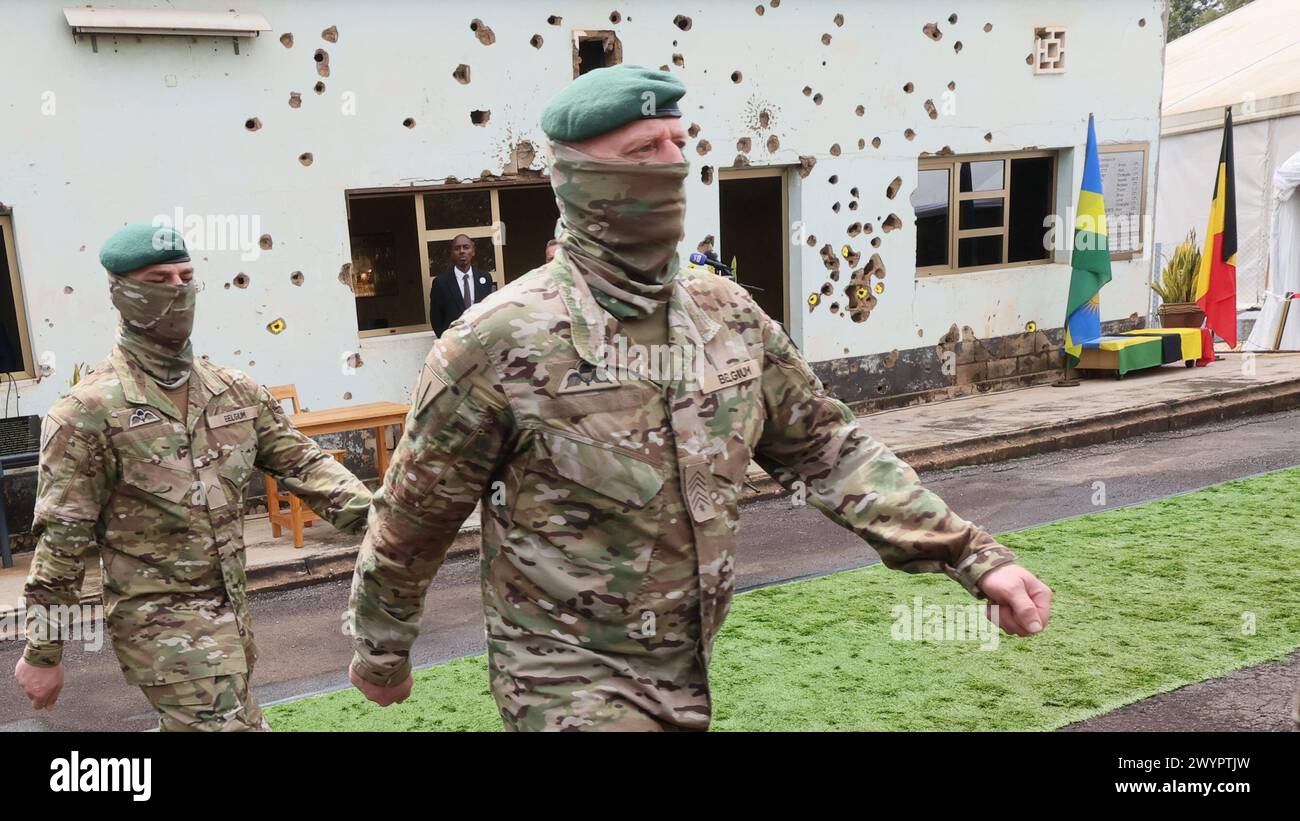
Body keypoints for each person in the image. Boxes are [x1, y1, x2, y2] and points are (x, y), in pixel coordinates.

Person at [345, 65, 1051, 731]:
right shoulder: (497, 341)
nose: (672, 162)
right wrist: (382, 649)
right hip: (565, 679)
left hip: (690, 664)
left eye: (680, 141)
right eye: (644, 148)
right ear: (580, 179)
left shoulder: (727, 315)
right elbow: (414, 514)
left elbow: (827, 448)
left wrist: (973, 555)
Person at [13, 223, 372, 731]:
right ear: (121, 292)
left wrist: (392, 526)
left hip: (234, 622)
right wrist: (43, 650)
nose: (178, 291)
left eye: (186, 277)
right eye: (159, 279)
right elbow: (61, 543)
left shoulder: (233, 391)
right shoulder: (87, 412)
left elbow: (307, 467)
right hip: (160, 633)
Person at [429, 234, 495, 336]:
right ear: (452, 253)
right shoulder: (441, 282)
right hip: (455, 342)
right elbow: (436, 319)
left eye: (466, 247)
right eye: (457, 248)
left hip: (481, 340)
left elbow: (490, 310)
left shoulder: (485, 278)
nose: (462, 251)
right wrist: (446, 340)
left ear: (473, 251)